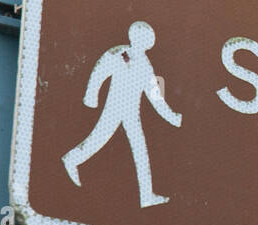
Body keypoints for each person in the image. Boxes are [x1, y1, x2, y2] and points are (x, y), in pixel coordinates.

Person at [62, 20, 181, 207]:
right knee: (99, 139)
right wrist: (91, 97)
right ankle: (71, 159)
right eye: (143, 38)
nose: (145, 42)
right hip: (115, 107)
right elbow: (99, 73)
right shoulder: (118, 53)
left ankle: (147, 195)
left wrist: (172, 117)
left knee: (139, 148)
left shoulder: (145, 64)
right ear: (134, 37)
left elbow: (154, 95)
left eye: (148, 39)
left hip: (131, 112)